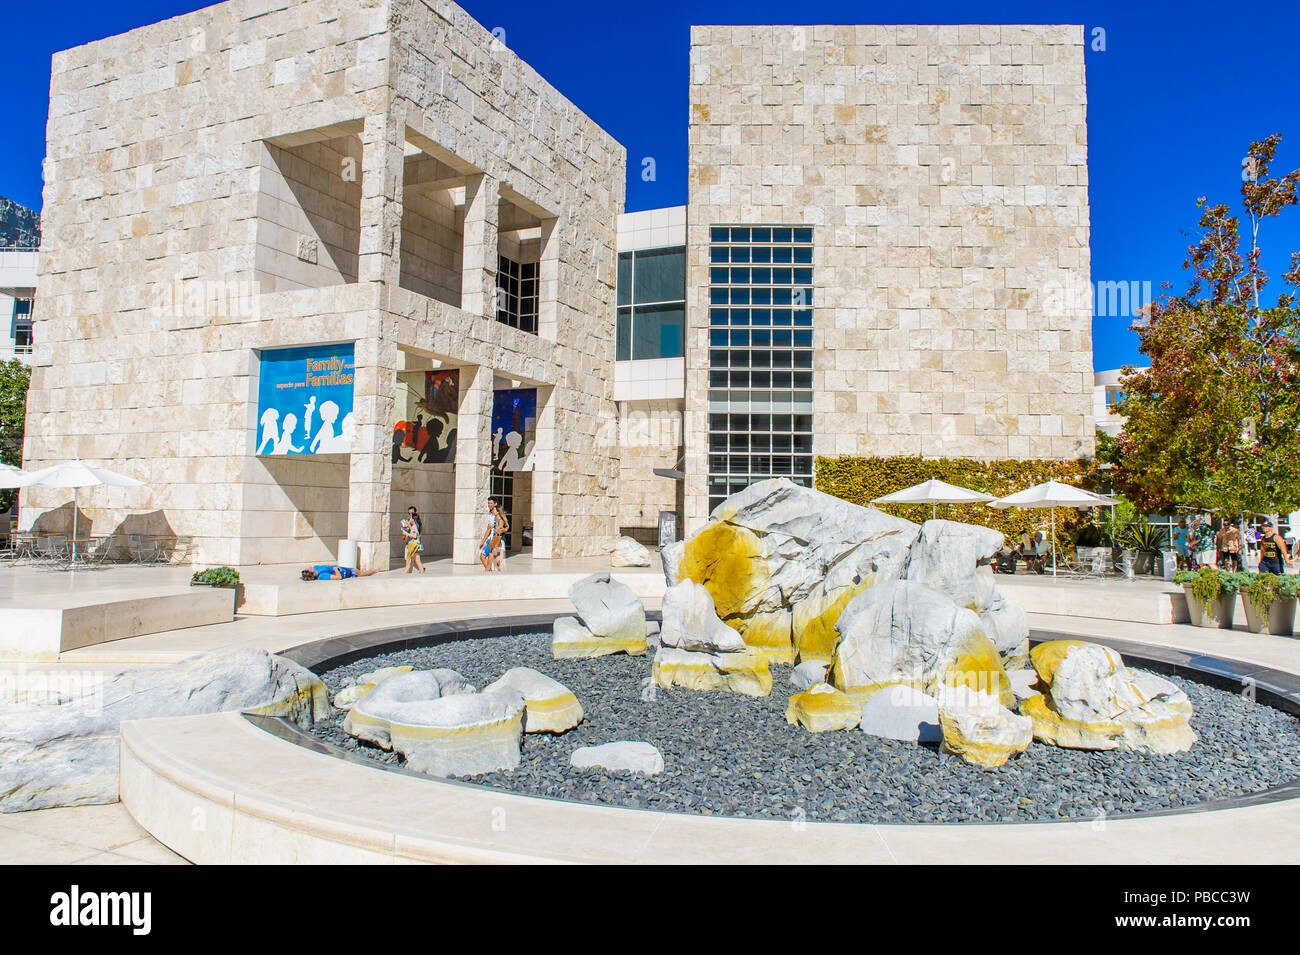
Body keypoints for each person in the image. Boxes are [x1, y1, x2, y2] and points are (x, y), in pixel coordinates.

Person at [479, 497, 509, 572]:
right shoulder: (490, 515)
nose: (489, 505)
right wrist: (483, 541)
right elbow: (488, 529)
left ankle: (488, 575)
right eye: (488, 503)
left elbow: (502, 529)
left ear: (495, 504)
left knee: (497, 561)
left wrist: (499, 530)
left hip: (497, 540)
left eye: (490, 503)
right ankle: (489, 573)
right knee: (486, 557)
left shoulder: (499, 518)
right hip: (492, 540)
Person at [401, 506, 425, 575]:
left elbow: (414, 535)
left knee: (411, 561)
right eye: (409, 513)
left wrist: (406, 533)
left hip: (413, 545)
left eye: (412, 514)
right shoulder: (415, 525)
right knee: (414, 560)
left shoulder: (415, 525)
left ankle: (406, 574)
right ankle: (421, 571)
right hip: (412, 544)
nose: (410, 516)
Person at [301, 563, 381, 581]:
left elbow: (325, 567)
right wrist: (336, 569)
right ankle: (372, 571)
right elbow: (338, 577)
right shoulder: (322, 576)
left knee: (360, 571)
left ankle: (367, 571)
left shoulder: (315, 567)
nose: (307, 567)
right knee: (361, 573)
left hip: (345, 569)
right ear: (312, 572)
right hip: (349, 573)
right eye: (307, 569)